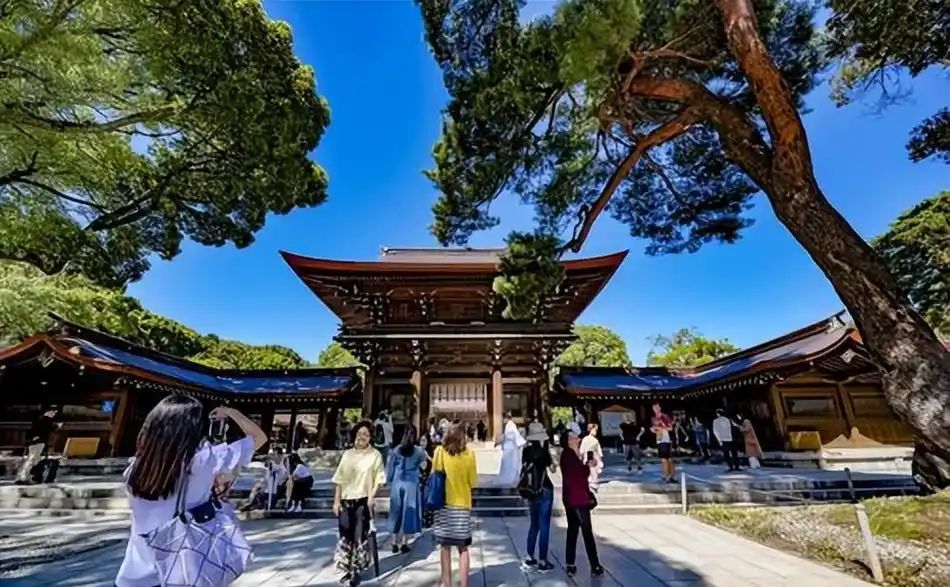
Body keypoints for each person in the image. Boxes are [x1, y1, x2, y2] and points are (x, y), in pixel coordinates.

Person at [115, 396, 267, 587]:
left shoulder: (135, 468)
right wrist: (230, 412)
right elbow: (258, 438)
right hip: (179, 573)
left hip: (132, 576)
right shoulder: (205, 460)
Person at [332, 420, 385, 587]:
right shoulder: (347, 454)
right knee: (345, 534)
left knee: (358, 535)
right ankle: (345, 568)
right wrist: (336, 501)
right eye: (360, 433)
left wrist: (372, 496)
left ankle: (355, 570)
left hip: (362, 500)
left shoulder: (375, 455)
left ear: (370, 438)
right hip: (346, 500)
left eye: (366, 434)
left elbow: (379, 478)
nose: (362, 437)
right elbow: (338, 479)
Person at [433, 424, 477, 587]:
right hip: (462, 505)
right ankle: (464, 585)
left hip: (444, 505)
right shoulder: (470, 454)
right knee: (463, 549)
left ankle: (447, 583)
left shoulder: (439, 452)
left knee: (445, 548)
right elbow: (472, 482)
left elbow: (435, 475)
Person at [560, 429, 604, 578]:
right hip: (577, 499)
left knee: (573, 531)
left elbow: (580, 473)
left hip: (572, 498)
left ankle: (570, 563)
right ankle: (595, 564)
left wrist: (585, 462)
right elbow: (578, 474)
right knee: (586, 532)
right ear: (568, 441)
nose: (577, 439)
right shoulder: (568, 456)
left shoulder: (572, 455)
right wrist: (585, 465)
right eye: (573, 438)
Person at [520, 422, 556, 572]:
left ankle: (529, 557)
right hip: (545, 489)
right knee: (544, 526)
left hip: (530, 491)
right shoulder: (544, 452)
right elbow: (552, 468)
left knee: (533, 524)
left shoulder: (526, 451)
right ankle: (542, 560)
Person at [387, 425, 426, 553]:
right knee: (407, 513)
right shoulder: (418, 451)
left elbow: (390, 469)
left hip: (397, 483)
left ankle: (393, 542)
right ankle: (404, 542)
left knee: (395, 512)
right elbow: (424, 466)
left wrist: (389, 481)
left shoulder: (396, 450)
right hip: (411, 484)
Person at [15, 405, 62, 485]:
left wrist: (57, 427)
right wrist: (34, 438)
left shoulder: (48, 420)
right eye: (53, 411)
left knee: (35, 460)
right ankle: (22, 476)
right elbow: (35, 429)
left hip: (41, 441)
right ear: (49, 411)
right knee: (32, 458)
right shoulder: (42, 419)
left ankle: (23, 476)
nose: (54, 413)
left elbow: (49, 430)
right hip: (36, 441)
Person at [495, 412, 526, 486]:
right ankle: (509, 478)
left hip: (510, 448)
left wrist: (499, 442)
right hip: (509, 448)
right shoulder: (509, 425)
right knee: (508, 464)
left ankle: (509, 479)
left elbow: (512, 437)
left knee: (509, 464)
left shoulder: (510, 425)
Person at [651, 403, 676, 483]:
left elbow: (670, 428)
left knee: (666, 459)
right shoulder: (655, 418)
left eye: (657, 407)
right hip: (659, 440)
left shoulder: (664, 417)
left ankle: (668, 476)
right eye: (654, 408)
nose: (656, 409)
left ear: (660, 408)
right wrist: (654, 430)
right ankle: (669, 475)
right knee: (665, 459)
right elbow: (657, 429)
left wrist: (659, 427)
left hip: (665, 440)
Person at [578, 423, 604, 493]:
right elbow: (581, 450)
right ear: (590, 430)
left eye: (596, 430)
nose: (595, 432)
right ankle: (592, 484)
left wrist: (600, 457)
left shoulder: (595, 440)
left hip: (594, 456)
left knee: (593, 470)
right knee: (590, 470)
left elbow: (599, 449)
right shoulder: (586, 439)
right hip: (588, 456)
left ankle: (593, 484)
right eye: (594, 430)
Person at [418, 433, 436, 528]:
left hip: (428, 478)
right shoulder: (416, 451)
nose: (422, 443)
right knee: (420, 500)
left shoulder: (431, 451)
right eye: (421, 440)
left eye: (424, 440)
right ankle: (420, 521)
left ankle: (428, 521)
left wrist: (427, 456)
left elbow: (436, 463)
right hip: (419, 479)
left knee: (427, 500)